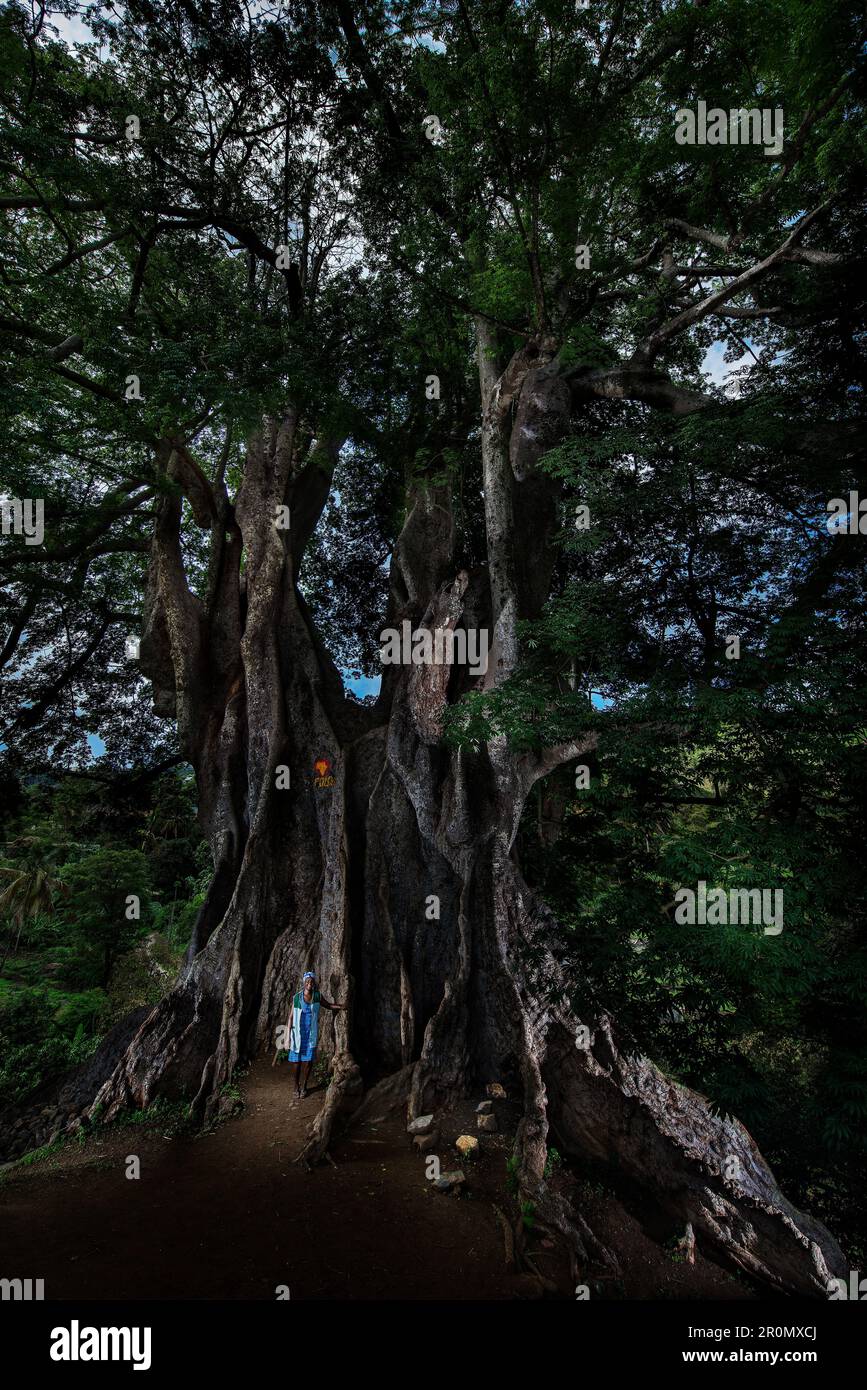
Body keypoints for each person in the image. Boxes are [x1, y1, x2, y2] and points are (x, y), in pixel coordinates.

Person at [286, 970, 345, 1103]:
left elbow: (328, 1005)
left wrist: (341, 1006)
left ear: (314, 984)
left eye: (311, 981)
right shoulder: (297, 997)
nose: (309, 983)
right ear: (304, 983)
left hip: (310, 1034)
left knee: (309, 1061)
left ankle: (305, 1086)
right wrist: (287, 1036)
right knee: (297, 1062)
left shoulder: (317, 996)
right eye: (307, 981)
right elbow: (290, 1017)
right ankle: (296, 1086)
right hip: (297, 1034)